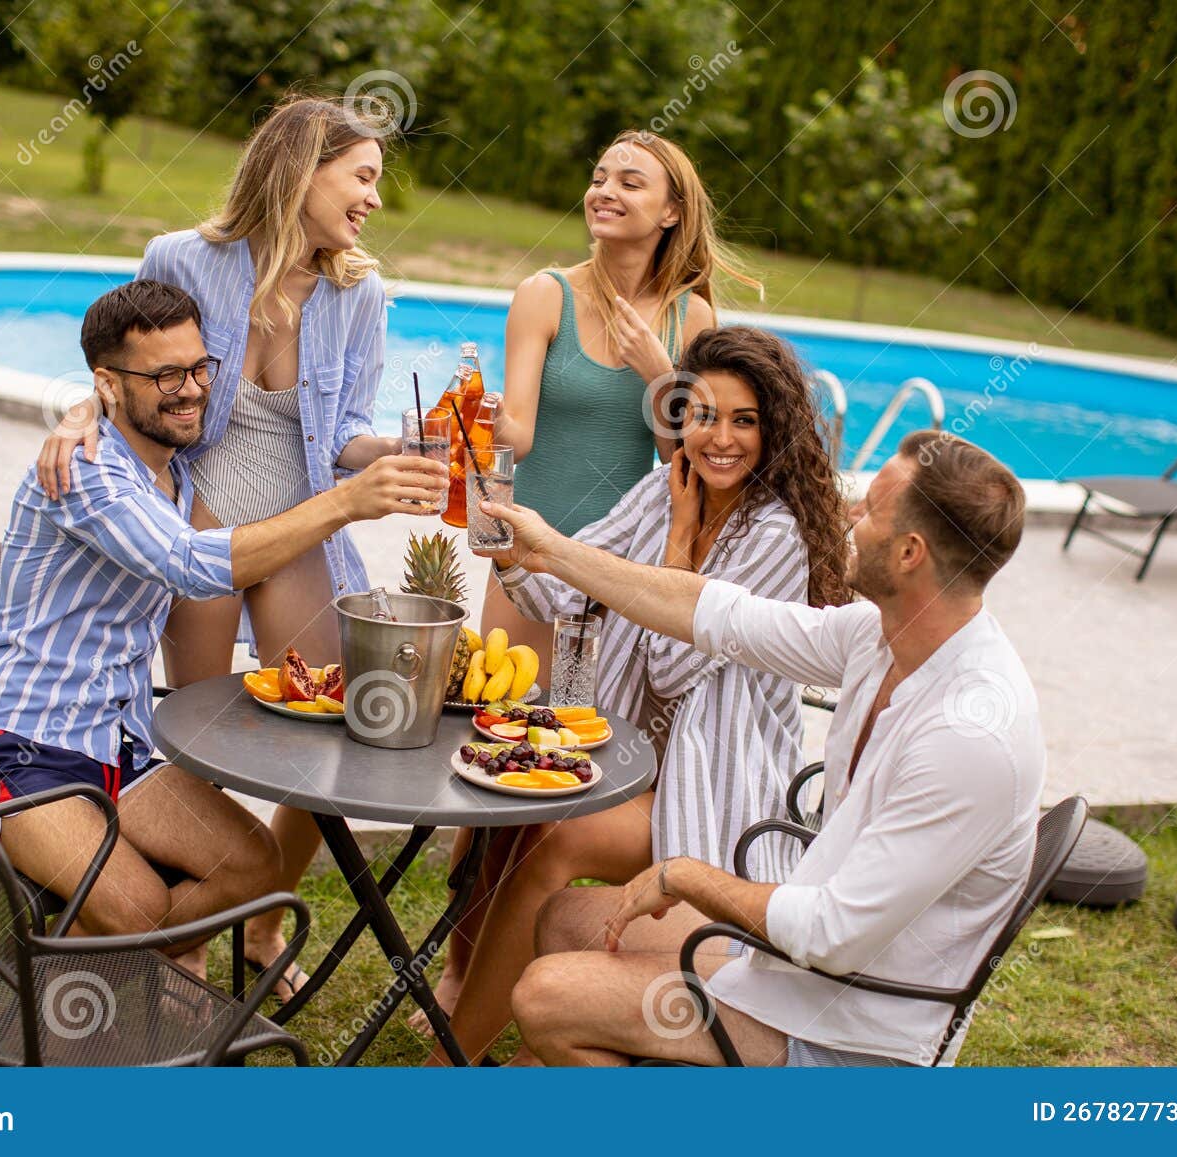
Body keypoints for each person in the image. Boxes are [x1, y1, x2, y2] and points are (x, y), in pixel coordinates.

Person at [478, 429, 1040, 1066]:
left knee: (548, 997)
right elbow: (716, 613)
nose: (852, 518)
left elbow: (834, 935)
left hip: (850, 1034)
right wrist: (549, 552)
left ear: (910, 552)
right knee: (565, 920)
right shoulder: (881, 636)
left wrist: (684, 874)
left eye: (872, 511)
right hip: (795, 969)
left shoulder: (969, 738)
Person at [0, 280, 445, 978]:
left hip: (118, 741)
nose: (188, 391)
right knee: (139, 906)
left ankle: (122, 965)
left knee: (256, 867)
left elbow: (280, 446)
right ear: (110, 383)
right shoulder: (87, 471)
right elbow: (189, 563)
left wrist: (87, 405)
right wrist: (344, 504)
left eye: (197, 368)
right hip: (19, 742)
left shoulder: (179, 467)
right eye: (163, 376)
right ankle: (114, 974)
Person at [32, 95, 400, 987]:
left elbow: (345, 428)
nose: (374, 202)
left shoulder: (361, 292)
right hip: (198, 520)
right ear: (303, 168)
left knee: (331, 733)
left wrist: (397, 450)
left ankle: (263, 923)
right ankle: (195, 937)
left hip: (299, 521)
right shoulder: (184, 259)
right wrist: (80, 413)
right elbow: (130, 362)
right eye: (362, 177)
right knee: (200, 740)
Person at [425, 328, 851, 1063]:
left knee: (557, 834)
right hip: (621, 752)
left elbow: (672, 665)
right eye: (703, 414)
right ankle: (465, 984)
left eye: (743, 420)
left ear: (773, 429)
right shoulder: (664, 486)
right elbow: (569, 577)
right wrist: (509, 547)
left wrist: (681, 545)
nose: (719, 438)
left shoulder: (778, 536)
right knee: (509, 807)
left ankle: (448, 1064)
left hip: (707, 789)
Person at [482, 129, 762, 661]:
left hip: (620, 565)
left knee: (590, 730)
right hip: (525, 552)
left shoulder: (691, 316)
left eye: (630, 183)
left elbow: (683, 463)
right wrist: (476, 419)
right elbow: (516, 435)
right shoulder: (545, 295)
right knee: (497, 718)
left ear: (671, 213)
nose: (605, 191)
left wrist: (660, 374)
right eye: (599, 178)